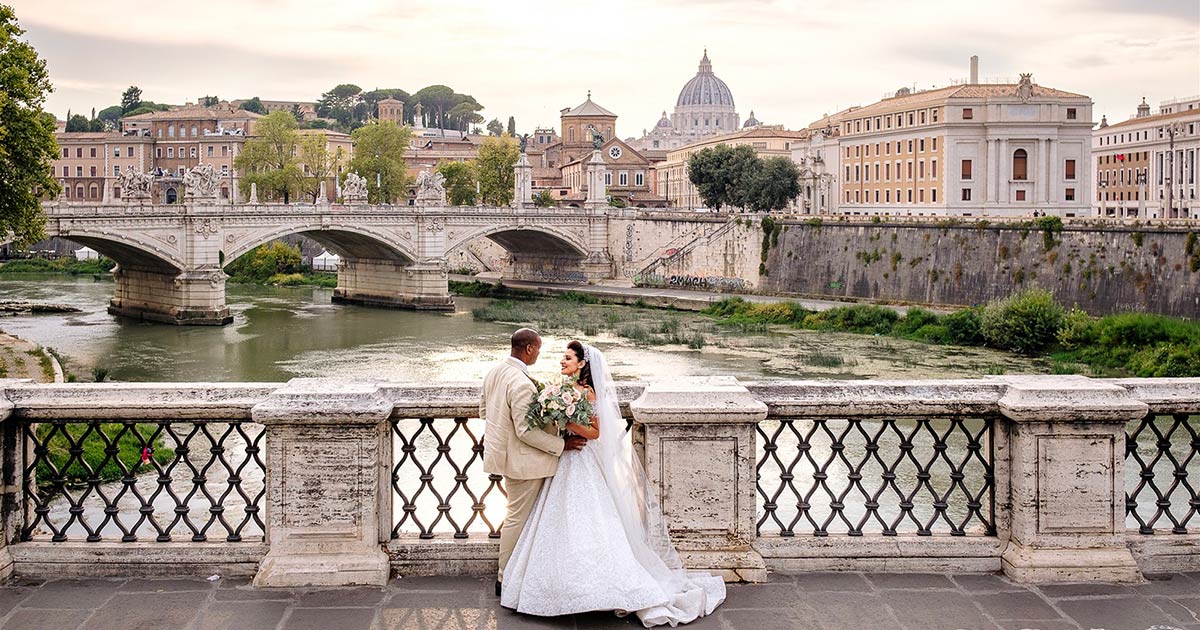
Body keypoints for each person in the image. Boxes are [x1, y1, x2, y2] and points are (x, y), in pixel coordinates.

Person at [501, 340, 726, 627]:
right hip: (566, 459)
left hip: (583, 459)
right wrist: (559, 419)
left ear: (582, 363)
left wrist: (567, 423)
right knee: (560, 520)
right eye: (562, 357)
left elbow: (595, 432)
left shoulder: (589, 393)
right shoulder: (562, 390)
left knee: (591, 521)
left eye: (568, 357)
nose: (562, 361)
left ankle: (598, 588)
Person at [481, 328, 586, 597]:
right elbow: (526, 431)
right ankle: (505, 578)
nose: (539, 353)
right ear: (528, 349)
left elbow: (484, 411)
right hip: (524, 463)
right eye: (538, 348)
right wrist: (561, 445)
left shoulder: (495, 371)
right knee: (517, 519)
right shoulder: (522, 383)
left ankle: (517, 573)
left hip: (505, 456)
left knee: (518, 517)